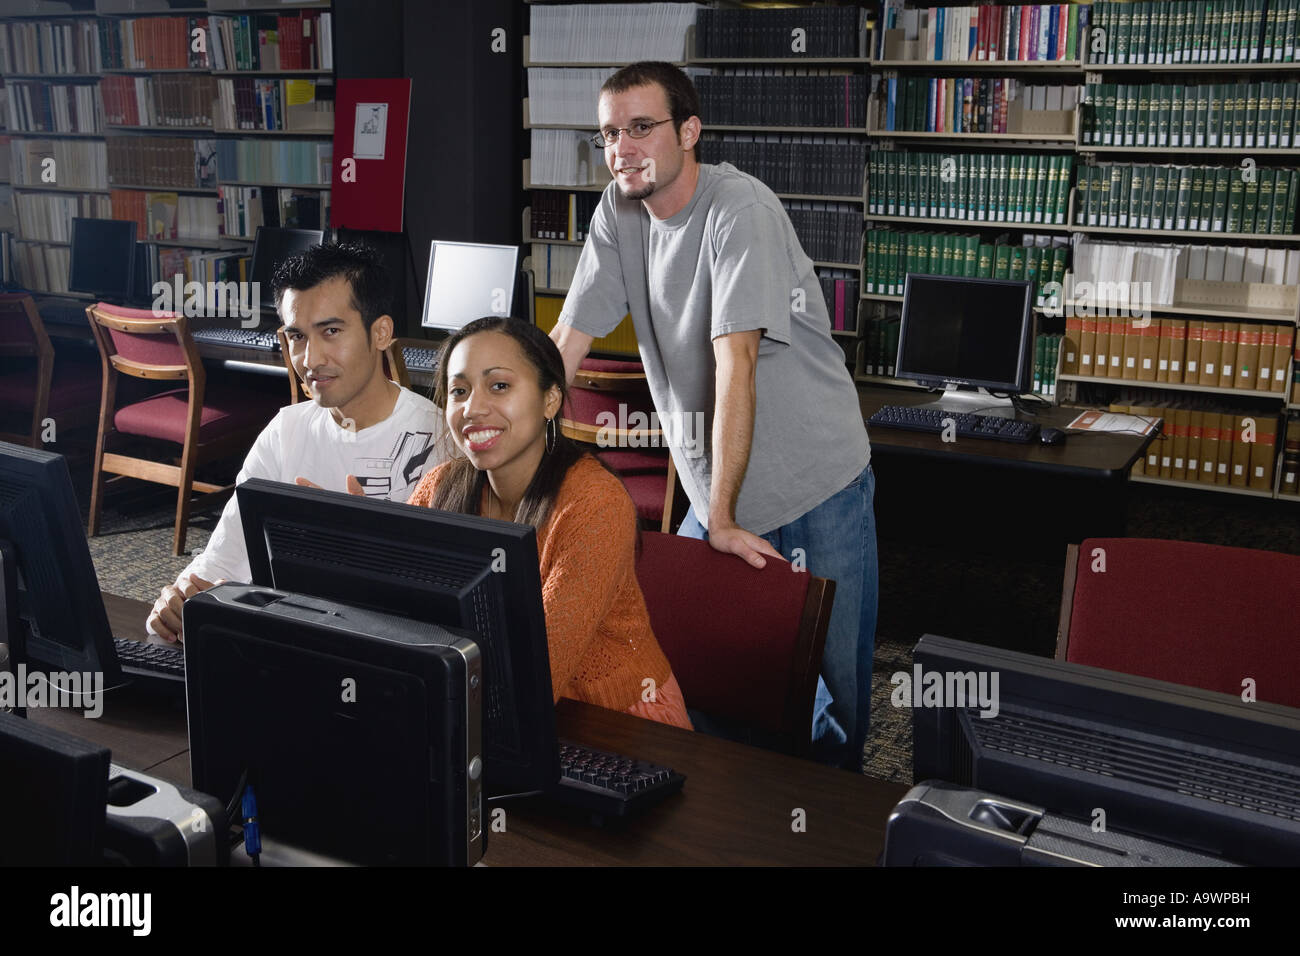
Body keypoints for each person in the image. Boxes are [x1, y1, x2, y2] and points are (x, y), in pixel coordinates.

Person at [548, 61, 877, 770]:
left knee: (837, 688)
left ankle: (838, 830)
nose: (622, 149)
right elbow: (565, 345)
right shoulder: (617, 211)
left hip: (814, 475)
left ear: (688, 131)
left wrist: (722, 517)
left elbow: (738, 365)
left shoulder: (740, 210)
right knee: (695, 670)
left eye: (641, 128)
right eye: (609, 133)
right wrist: (498, 436)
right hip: (714, 481)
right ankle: (736, 820)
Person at [147, 241, 448, 642]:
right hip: (291, 646)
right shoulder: (285, 431)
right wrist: (176, 600)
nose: (309, 359)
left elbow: (442, 612)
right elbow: (224, 556)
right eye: (297, 337)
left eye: (331, 331)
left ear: (381, 332)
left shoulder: (440, 439)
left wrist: (365, 552)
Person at [406, 315, 692, 730]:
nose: (473, 408)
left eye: (499, 386)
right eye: (459, 391)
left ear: (550, 400)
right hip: (491, 714)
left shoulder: (594, 501)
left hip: (622, 724)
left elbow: (536, 672)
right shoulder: (440, 488)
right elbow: (407, 624)